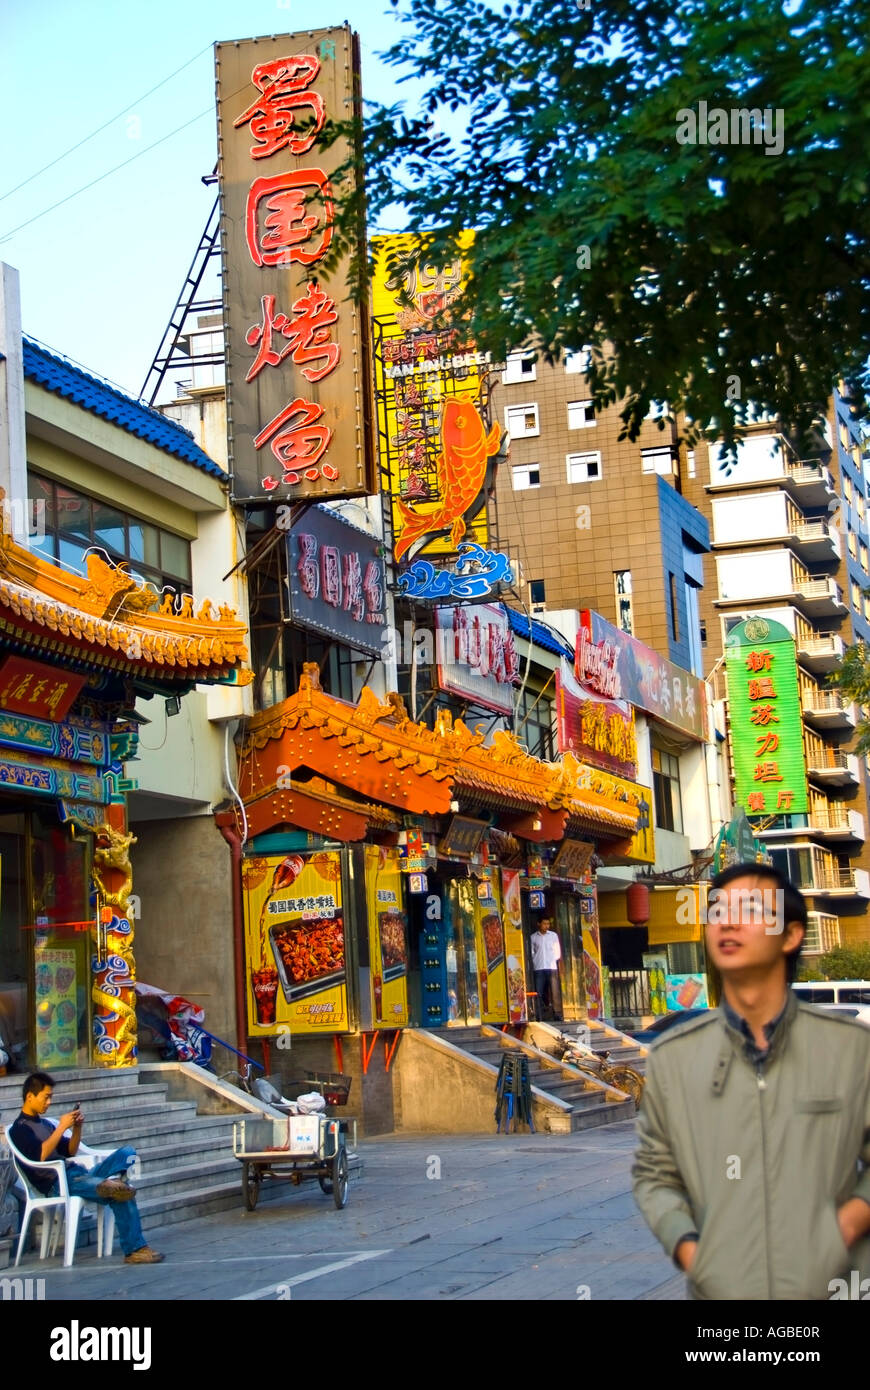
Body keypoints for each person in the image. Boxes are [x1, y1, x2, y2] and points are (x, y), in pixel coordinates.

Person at [632, 861, 870, 1300]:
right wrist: (689, 1249)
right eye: (718, 910)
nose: (728, 922)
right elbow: (655, 1174)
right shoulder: (674, 1058)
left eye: (752, 909)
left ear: (792, 935)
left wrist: (843, 1227)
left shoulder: (849, 1049)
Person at [9, 1071, 164, 1265]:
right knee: (119, 1193)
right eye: (46, 1097)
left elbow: (71, 1151)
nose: (49, 1102)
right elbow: (40, 1155)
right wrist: (61, 1128)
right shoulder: (20, 1128)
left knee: (127, 1153)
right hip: (58, 1182)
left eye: (51, 1097)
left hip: (79, 1174)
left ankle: (109, 1184)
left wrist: (76, 1128)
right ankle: (135, 1248)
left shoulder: (45, 1124)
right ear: (30, 1096)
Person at [530, 917, 562, 1021]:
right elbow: (531, 952)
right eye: (544, 924)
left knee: (554, 991)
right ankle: (538, 1014)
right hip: (539, 967)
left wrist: (553, 960)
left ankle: (557, 1013)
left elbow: (557, 951)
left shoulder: (553, 936)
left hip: (551, 967)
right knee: (538, 992)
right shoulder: (533, 937)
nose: (546, 926)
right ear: (539, 924)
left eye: (548, 924)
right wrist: (535, 961)